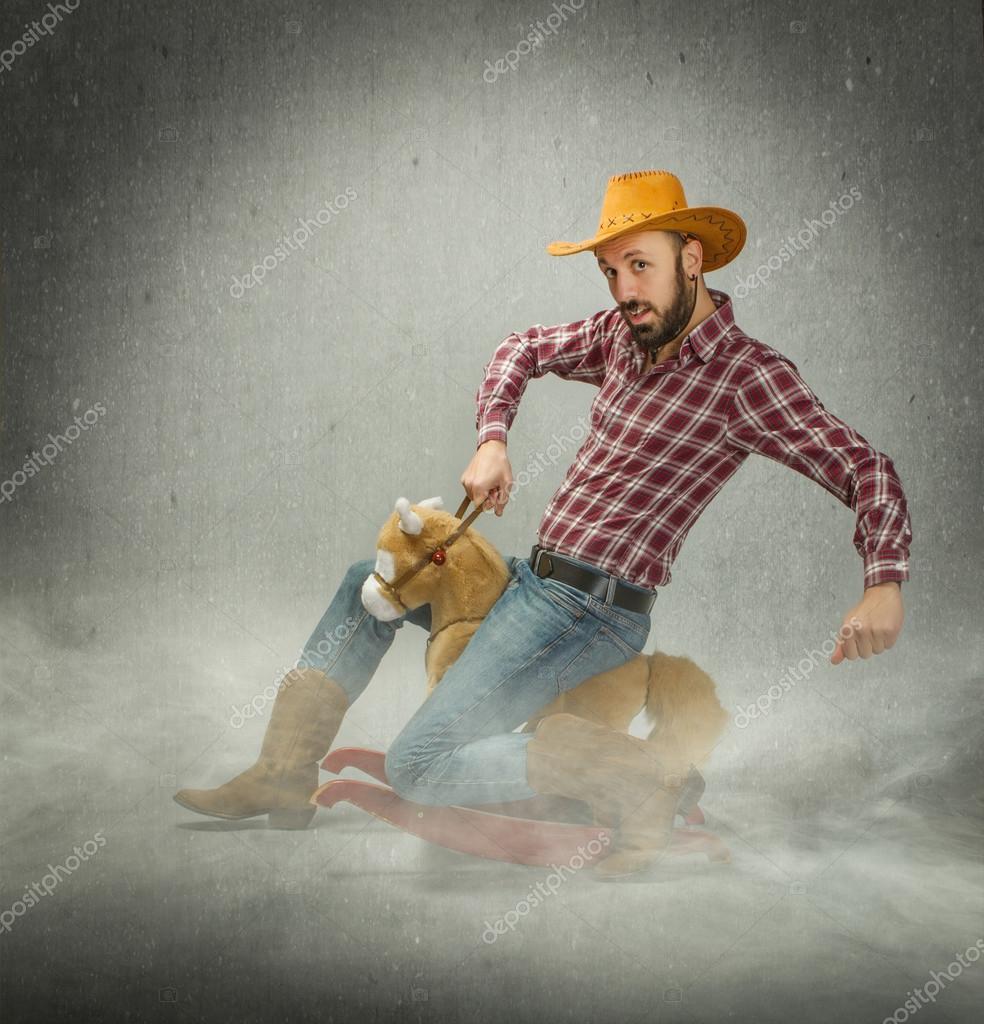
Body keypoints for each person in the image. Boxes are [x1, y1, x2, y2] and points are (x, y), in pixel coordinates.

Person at [174, 169, 911, 880]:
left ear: (692, 260)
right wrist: (493, 438)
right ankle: (281, 773)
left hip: (590, 612)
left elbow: (865, 468)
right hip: (535, 584)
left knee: (418, 765)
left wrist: (883, 584)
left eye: (641, 267)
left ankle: (639, 778)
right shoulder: (624, 336)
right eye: (610, 271)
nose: (625, 291)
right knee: (369, 582)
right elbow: (520, 348)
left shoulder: (747, 378)